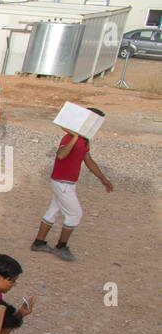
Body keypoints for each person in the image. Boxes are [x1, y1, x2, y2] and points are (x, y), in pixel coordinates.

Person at [30, 110, 112, 262]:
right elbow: (61, 155)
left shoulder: (84, 141)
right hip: (63, 183)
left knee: (54, 210)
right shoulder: (70, 138)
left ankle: (39, 242)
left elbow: (88, 161)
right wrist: (74, 137)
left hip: (65, 183)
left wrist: (103, 179)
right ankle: (61, 246)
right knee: (75, 214)